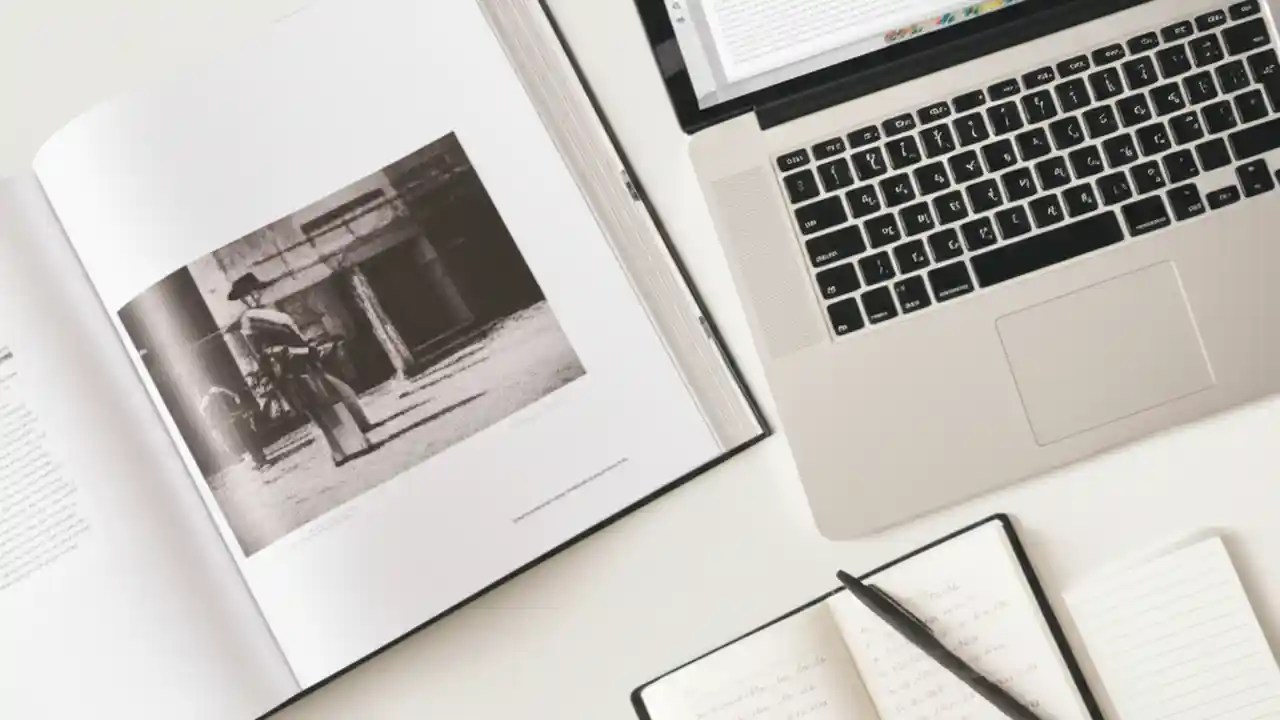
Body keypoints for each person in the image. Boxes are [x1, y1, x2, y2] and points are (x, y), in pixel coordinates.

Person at [227, 273, 374, 467]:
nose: (254, 296)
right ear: (243, 299)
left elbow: (293, 340)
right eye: (248, 294)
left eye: (256, 291)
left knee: (334, 400)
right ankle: (344, 451)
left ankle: (349, 447)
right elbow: (267, 352)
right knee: (323, 409)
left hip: (307, 364)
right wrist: (304, 351)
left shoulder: (267, 313)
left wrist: (311, 348)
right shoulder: (249, 320)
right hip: (292, 371)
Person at [199, 384, 268, 468]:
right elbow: (235, 397)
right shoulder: (218, 391)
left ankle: (258, 458)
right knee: (248, 434)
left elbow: (204, 411)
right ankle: (259, 456)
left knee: (246, 437)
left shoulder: (209, 398)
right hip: (237, 414)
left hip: (232, 417)